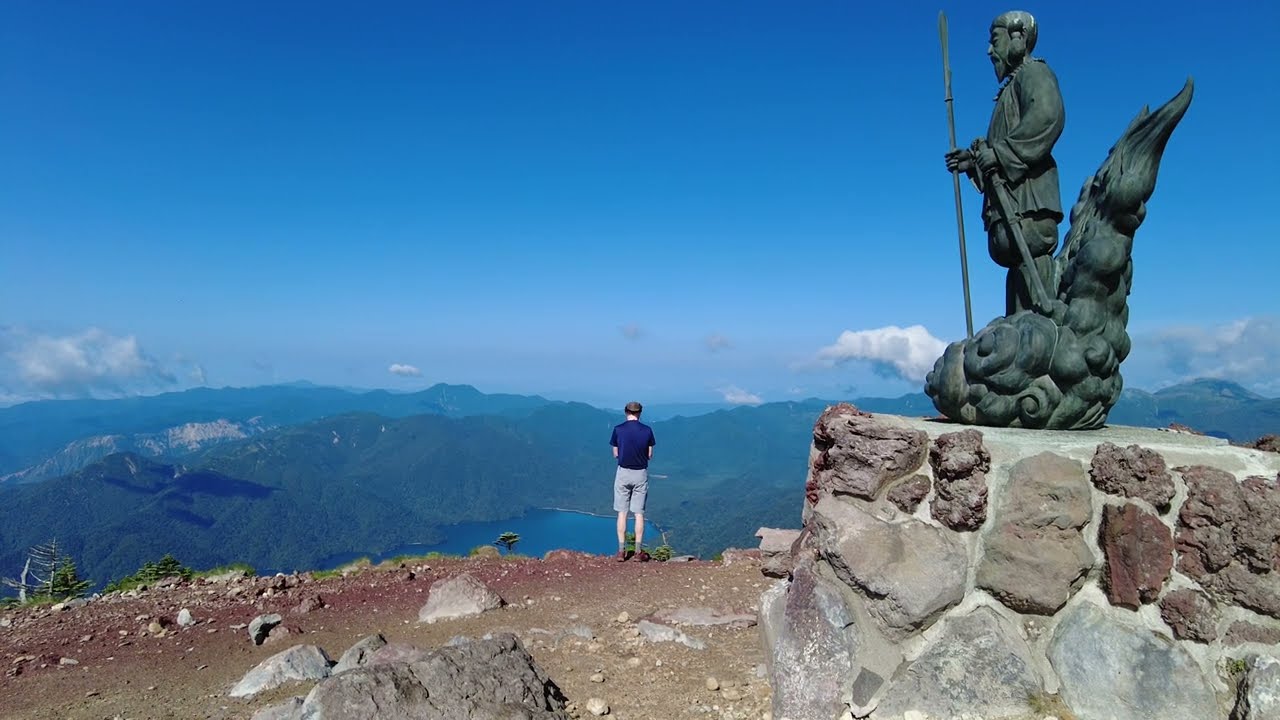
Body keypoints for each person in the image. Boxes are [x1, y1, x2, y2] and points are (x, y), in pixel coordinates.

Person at [945, 10, 1065, 316]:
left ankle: (1040, 338)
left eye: (994, 41)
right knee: (1018, 282)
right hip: (1011, 207)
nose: (989, 51)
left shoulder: (1034, 74)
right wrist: (974, 161)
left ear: (1017, 38)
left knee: (1032, 271)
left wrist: (998, 154)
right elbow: (998, 153)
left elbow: (1046, 118)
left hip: (1029, 205)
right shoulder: (1009, 89)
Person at [609, 401, 655, 561]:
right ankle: (637, 552)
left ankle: (621, 551)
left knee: (622, 513)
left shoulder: (618, 429)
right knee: (639, 514)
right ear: (640, 413)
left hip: (623, 473)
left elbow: (615, 453)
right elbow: (649, 454)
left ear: (625, 412)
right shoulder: (647, 430)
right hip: (640, 473)